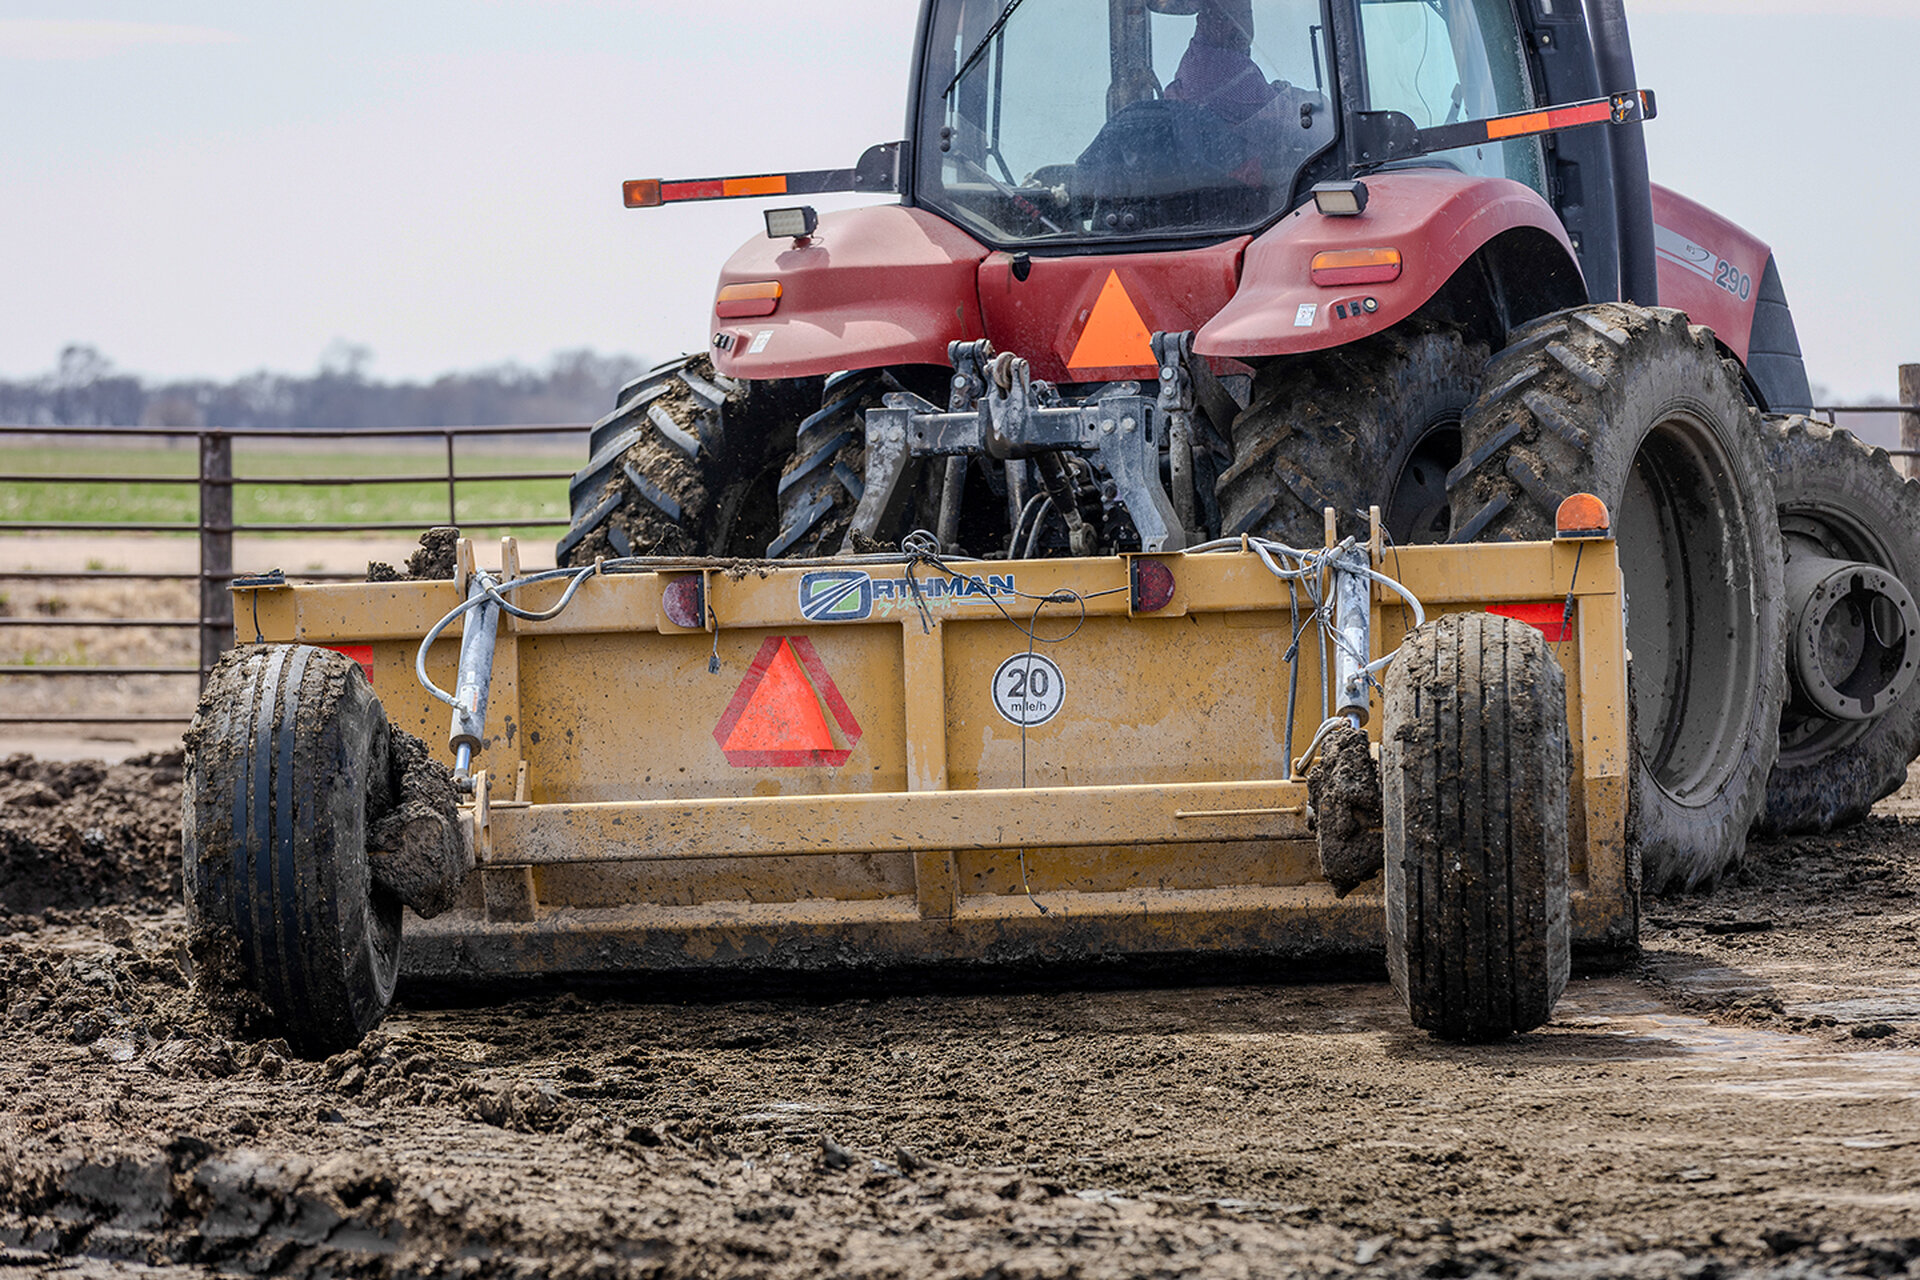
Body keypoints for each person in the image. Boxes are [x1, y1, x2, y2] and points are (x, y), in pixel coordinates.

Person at [1162, 0, 1277, 126]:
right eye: (1226, 18)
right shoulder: (1226, 66)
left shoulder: (1194, 58)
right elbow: (1285, 119)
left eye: (1245, 16)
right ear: (1203, 21)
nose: (1239, 25)